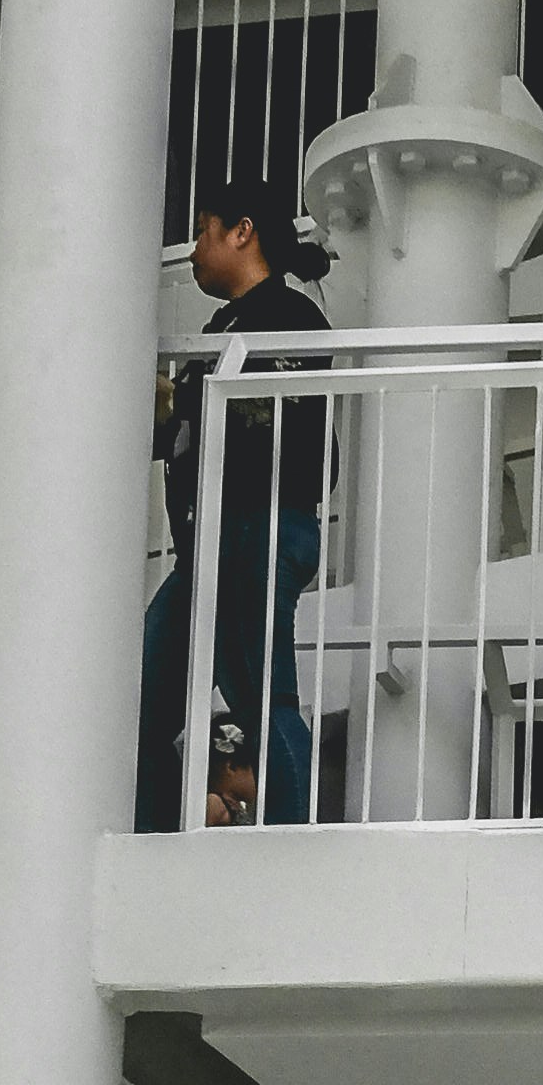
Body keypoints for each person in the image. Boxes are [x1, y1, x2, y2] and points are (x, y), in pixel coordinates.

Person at [136, 179, 335, 832]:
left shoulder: (288, 316)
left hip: (257, 526)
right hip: (214, 541)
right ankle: (152, 836)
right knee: (140, 706)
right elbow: (188, 432)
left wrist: (182, 401)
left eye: (202, 230)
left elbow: (278, 426)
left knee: (263, 697)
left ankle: (289, 847)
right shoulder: (226, 326)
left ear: (242, 231)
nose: (194, 249)